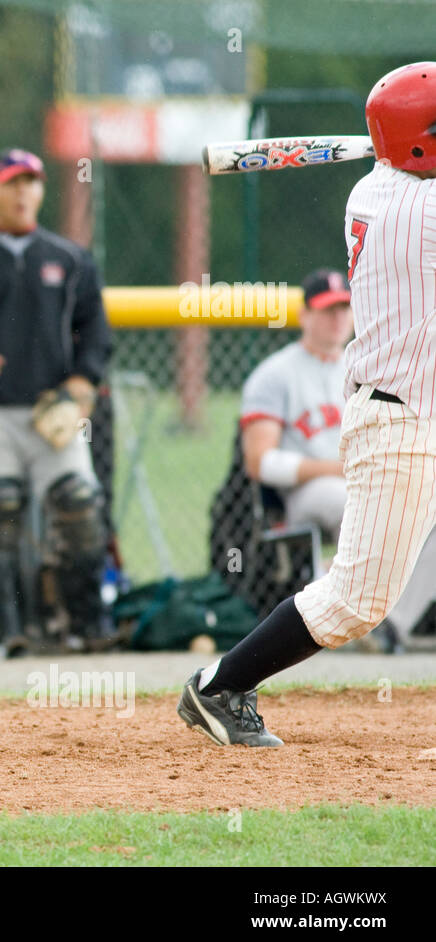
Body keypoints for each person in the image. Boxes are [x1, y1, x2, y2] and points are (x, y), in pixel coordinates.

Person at [178, 61, 436, 747]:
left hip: (411, 406)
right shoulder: (418, 210)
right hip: (403, 424)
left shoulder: (372, 188)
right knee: (356, 601)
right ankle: (221, 685)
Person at [0, 149, 112, 652]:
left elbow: (95, 330)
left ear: (41, 190)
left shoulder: (69, 259)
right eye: (11, 182)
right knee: (0, 511)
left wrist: (83, 382)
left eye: (31, 182)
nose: (22, 192)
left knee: (79, 506)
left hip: (48, 409)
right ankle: (5, 631)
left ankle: (88, 624)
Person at [239, 268, 436, 649]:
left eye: (344, 308)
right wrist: (333, 469)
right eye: (327, 310)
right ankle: (340, 605)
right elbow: (259, 462)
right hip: (307, 491)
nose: (338, 318)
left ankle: (391, 626)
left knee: (423, 510)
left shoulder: (373, 366)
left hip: (370, 476)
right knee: (359, 502)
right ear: (303, 315)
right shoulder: (275, 373)